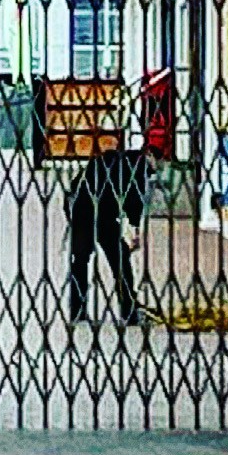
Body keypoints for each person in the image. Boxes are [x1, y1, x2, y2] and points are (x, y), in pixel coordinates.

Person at [65, 139, 151, 326]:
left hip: (80, 206)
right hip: (97, 210)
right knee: (120, 259)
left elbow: (75, 184)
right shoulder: (139, 167)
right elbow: (135, 199)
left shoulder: (113, 159)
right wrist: (134, 230)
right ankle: (129, 312)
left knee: (80, 259)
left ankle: (76, 310)